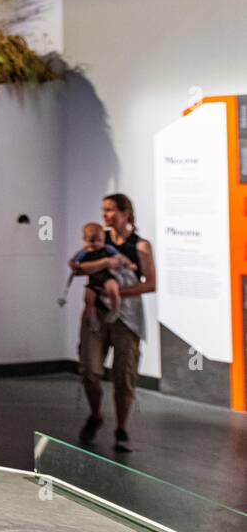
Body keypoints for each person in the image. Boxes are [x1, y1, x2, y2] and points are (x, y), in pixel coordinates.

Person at [71, 193, 156, 453]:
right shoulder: (99, 239)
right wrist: (106, 262)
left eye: (109, 210)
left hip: (126, 318)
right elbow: (77, 267)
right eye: (103, 209)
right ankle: (96, 415)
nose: (104, 215)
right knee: (90, 370)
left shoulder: (140, 246)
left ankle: (122, 428)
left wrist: (118, 292)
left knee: (124, 374)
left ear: (124, 213)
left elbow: (150, 284)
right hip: (95, 313)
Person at [72, 222, 126, 317]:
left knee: (113, 290)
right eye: (92, 241)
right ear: (85, 240)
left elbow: (120, 257)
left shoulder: (107, 249)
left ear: (103, 239)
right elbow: (74, 264)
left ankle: (115, 311)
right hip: (94, 280)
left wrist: (129, 264)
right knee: (88, 299)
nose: (96, 244)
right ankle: (91, 319)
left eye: (99, 240)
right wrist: (74, 266)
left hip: (106, 277)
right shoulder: (84, 252)